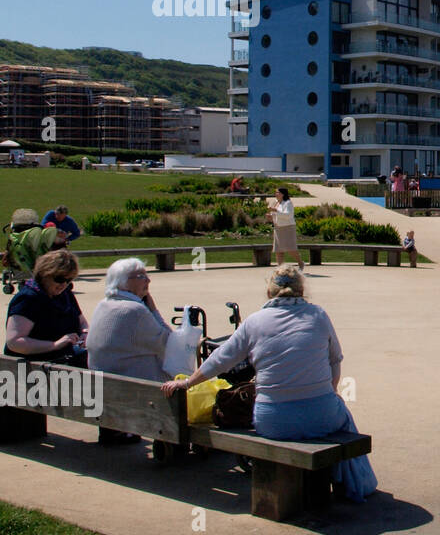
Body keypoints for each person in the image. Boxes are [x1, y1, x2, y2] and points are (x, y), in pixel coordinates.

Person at [161, 267, 377, 503]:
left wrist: (189, 383)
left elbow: (221, 359)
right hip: (321, 416)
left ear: (268, 291)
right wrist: (331, 391)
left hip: (274, 422)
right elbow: (335, 359)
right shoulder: (319, 316)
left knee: (311, 411)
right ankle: (356, 485)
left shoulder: (254, 322)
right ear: (302, 291)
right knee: (342, 416)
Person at [86, 258, 171, 444]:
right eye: (141, 276)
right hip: (132, 389)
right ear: (123, 281)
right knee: (179, 373)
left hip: (105, 385)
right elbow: (168, 342)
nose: (148, 281)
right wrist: (153, 309)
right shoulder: (134, 310)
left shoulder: (104, 304)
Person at [5, 250, 88, 368]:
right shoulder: (28, 299)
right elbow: (14, 342)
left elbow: (82, 322)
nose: (64, 284)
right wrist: (55, 344)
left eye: (69, 280)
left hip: (64, 361)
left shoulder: (65, 294)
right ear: (45, 274)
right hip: (31, 368)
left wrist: (85, 333)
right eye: (59, 279)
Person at [266, 188, 303, 268]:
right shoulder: (275, 203)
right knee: (278, 250)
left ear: (283, 194)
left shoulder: (288, 203)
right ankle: (281, 269)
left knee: (291, 248)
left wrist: (275, 211)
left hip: (288, 227)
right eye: (275, 192)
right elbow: (275, 215)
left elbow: (288, 215)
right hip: (278, 228)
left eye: (277, 192)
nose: (276, 194)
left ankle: (300, 262)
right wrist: (270, 217)